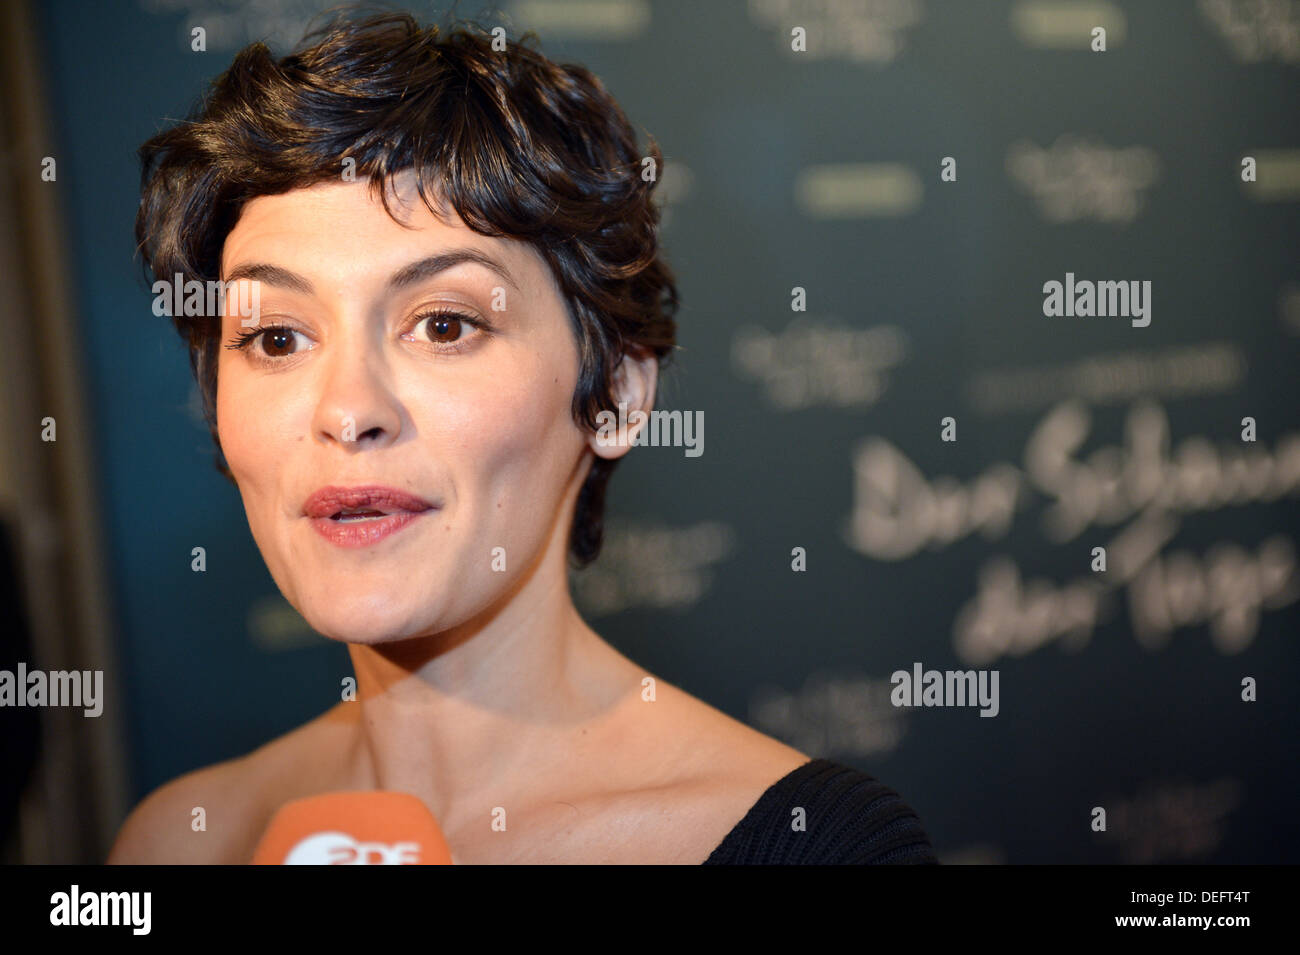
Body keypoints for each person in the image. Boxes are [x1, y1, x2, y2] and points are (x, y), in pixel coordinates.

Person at [108, 10, 936, 864]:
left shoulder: (816, 849)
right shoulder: (177, 842)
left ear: (614, 393)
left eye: (444, 324)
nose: (348, 408)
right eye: (276, 337)